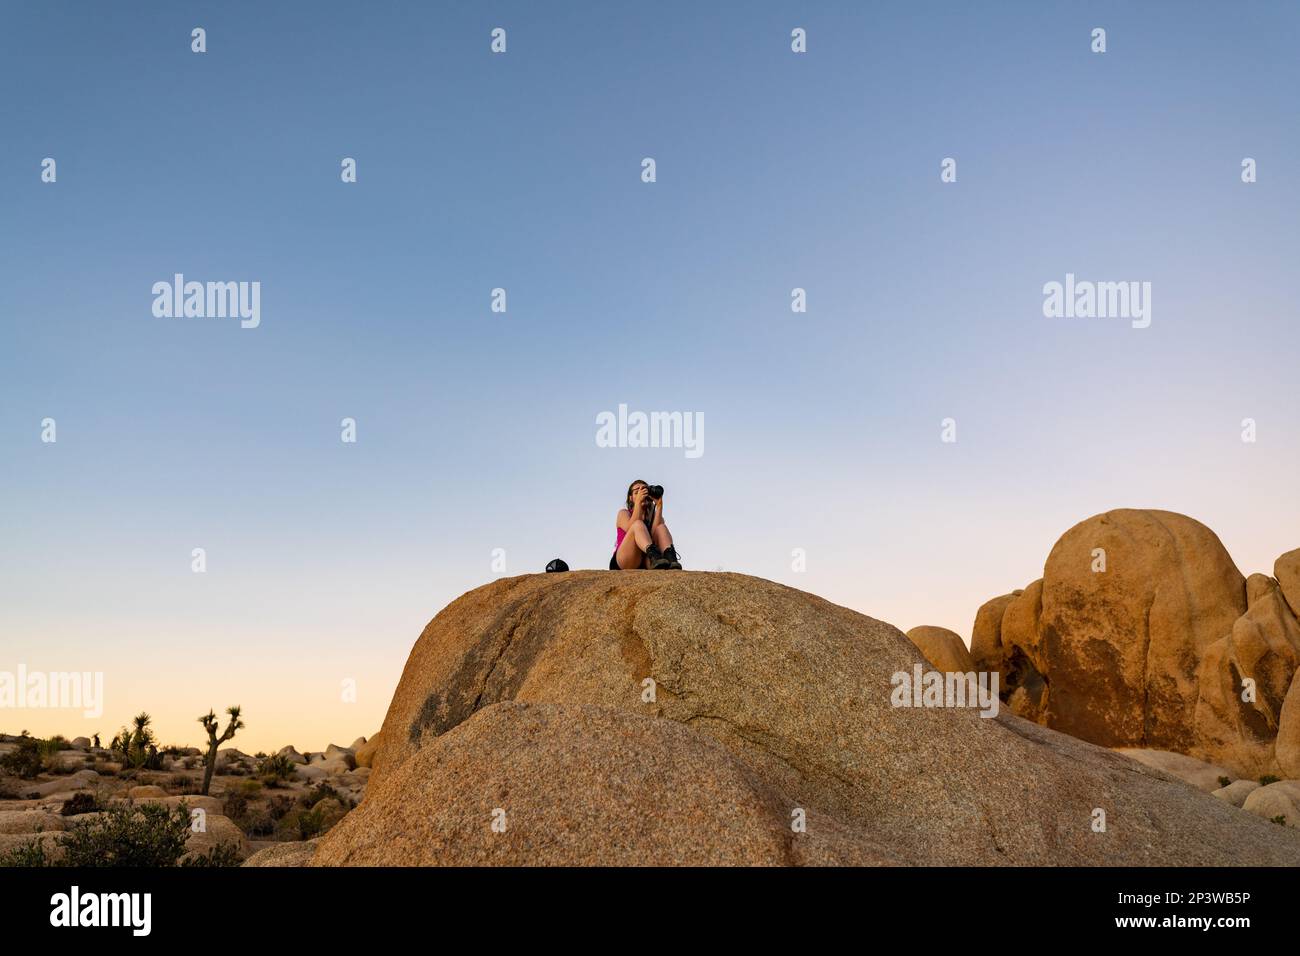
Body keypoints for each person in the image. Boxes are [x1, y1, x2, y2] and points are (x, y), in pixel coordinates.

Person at [611, 479, 682, 570]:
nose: (642, 494)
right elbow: (631, 529)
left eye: (645, 491)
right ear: (631, 498)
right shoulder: (624, 513)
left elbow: (654, 536)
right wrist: (638, 504)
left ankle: (671, 559)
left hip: (650, 561)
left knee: (661, 527)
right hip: (627, 560)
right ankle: (654, 555)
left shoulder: (654, 517)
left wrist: (659, 505)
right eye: (637, 492)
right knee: (638, 524)